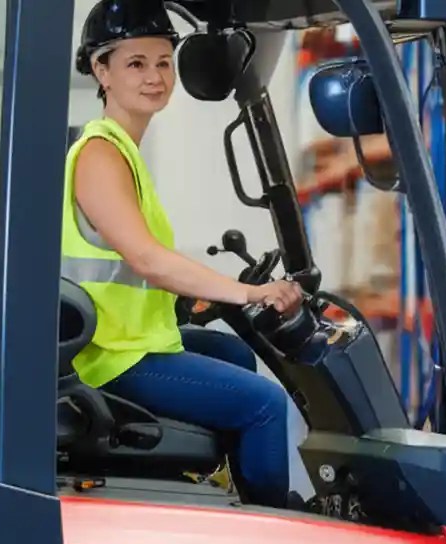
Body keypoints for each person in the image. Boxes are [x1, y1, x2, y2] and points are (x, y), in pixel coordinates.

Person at [63, 0, 303, 507]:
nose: (154, 77)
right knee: (264, 405)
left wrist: (188, 302)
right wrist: (248, 291)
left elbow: (130, 269)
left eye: (163, 62)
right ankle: (273, 524)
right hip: (112, 356)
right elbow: (148, 260)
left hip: (126, 335)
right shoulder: (100, 154)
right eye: (135, 64)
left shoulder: (123, 149)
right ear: (101, 70)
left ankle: (226, 486)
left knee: (238, 353)